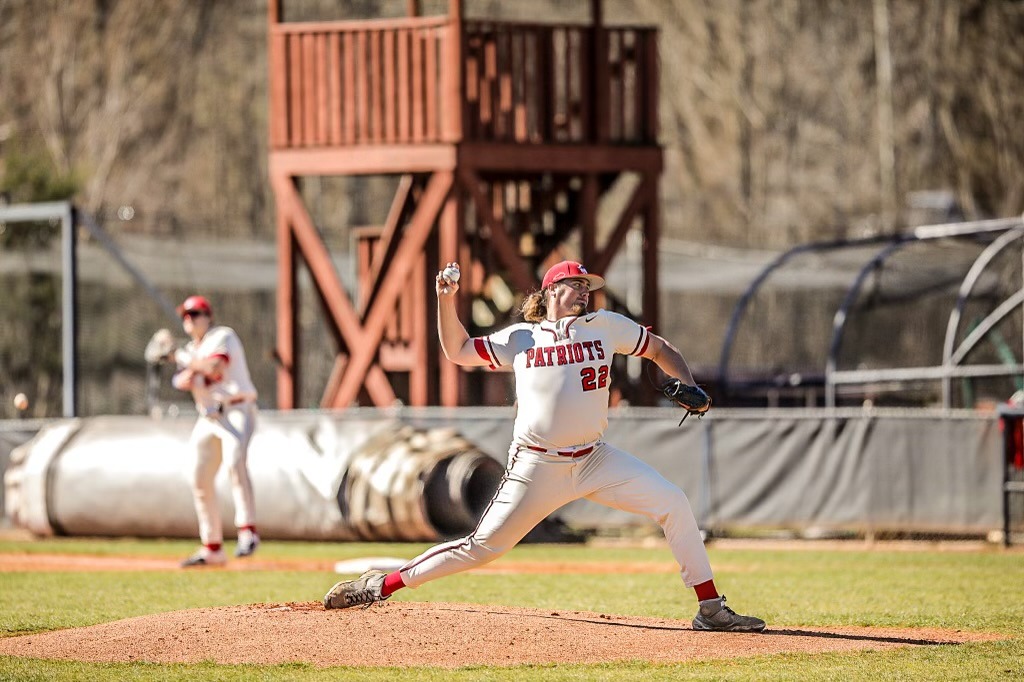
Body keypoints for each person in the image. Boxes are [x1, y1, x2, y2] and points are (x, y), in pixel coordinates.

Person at [324, 260, 765, 632]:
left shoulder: (605, 326)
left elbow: (660, 349)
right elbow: (457, 350)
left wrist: (687, 383)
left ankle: (710, 609)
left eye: (587, 287)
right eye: (576, 285)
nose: (584, 292)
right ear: (552, 290)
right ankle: (381, 585)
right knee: (480, 547)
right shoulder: (522, 338)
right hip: (536, 466)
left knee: (673, 502)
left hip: (594, 458)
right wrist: (445, 299)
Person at [172, 295, 260, 567]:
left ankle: (248, 531)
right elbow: (180, 381)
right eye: (185, 315)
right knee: (198, 477)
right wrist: (180, 360)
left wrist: (179, 357)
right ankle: (212, 547)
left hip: (236, 408)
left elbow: (214, 367)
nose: (189, 319)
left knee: (235, 462)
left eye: (195, 313)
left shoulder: (223, 336)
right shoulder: (190, 349)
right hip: (208, 416)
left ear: (208, 316)